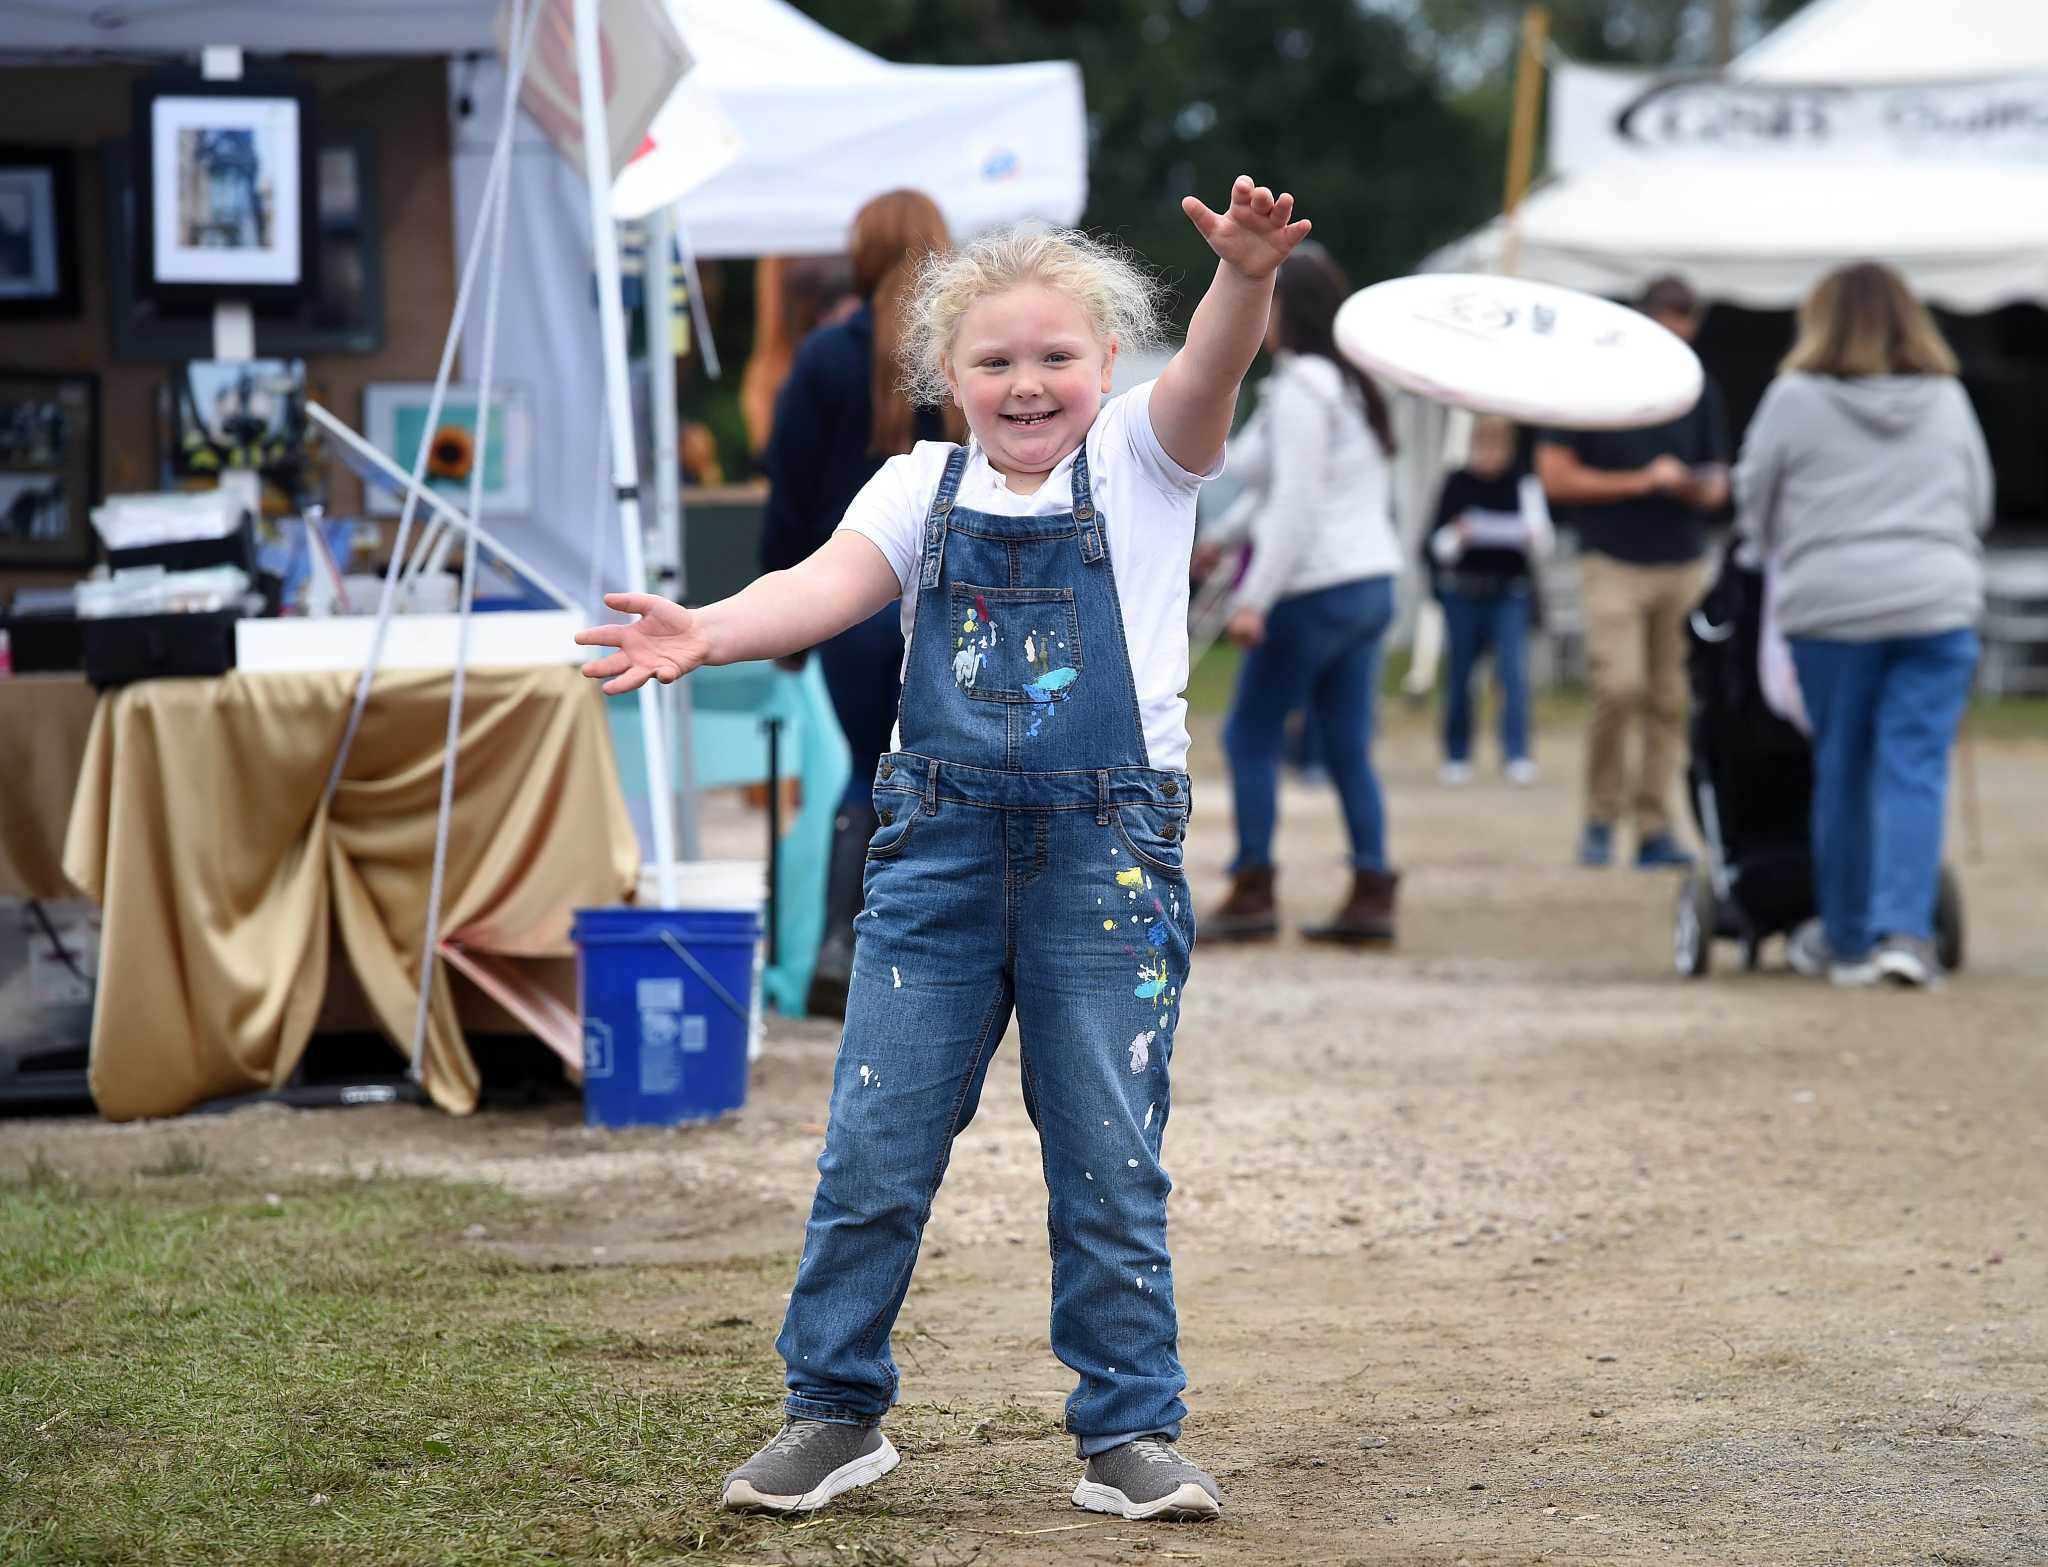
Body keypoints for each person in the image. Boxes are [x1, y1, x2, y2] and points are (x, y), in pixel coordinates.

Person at [577, 176, 1313, 1522]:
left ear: (1107, 362)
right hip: (936, 856)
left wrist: (1248, 279)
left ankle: (1129, 1429)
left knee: (1107, 1145)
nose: (1027, 384)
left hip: (1110, 855)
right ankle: (833, 1410)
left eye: (1056, 358)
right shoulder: (920, 485)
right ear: (946, 376)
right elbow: (817, 584)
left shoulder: (1150, 455)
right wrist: (709, 627)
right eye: (995, 361)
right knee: (876, 1140)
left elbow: (1212, 365)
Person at [1735, 261, 1991, 989]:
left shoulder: (1794, 397)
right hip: (1935, 601)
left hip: (1833, 605)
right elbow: (1977, 498)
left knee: (1841, 768)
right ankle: (1905, 934)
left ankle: (1845, 938)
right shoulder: (1946, 398)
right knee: (1913, 768)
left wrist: (1775, 547)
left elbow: (1753, 498)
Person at [757, 192, 961, 1017]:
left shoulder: (824, 359)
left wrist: (787, 620)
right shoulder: (962, 357)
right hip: (949, 600)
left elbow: (789, 497)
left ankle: (842, 943)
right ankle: (935, 953)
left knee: (859, 775)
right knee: (937, 773)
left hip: (845, 604)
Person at [1194, 242, 1404, 946]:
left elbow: (1297, 505)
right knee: (1347, 744)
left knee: (1249, 733)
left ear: (1290, 307)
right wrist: (1225, 533)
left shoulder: (1299, 392)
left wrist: (1253, 596)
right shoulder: (1345, 385)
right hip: (1370, 581)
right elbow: (1277, 484)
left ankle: (1254, 885)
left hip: (1316, 588)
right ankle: (1372, 887)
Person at [1534, 274, 1729, 870]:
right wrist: (1643, 481)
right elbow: (1555, 476)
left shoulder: (1700, 390)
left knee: (1672, 700)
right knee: (1618, 688)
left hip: (1682, 562)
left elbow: (1719, 478)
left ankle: (1653, 826)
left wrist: (1701, 488)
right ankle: (1600, 817)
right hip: (1612, 560)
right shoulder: (1590, 385)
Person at [1424, 415, 1552, 787]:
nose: (1491, 455)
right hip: (1463, 592)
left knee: (1512, 674)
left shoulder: (1523, 485)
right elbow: (1434, 546)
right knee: (1461, 675)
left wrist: (1530, 535)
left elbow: (1543, 543)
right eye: (1484, 446)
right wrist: (1459, 533)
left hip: (1508, 592)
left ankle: (1516, 752)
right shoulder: (1457, 483)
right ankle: (1457, 752)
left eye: (1498, 447)